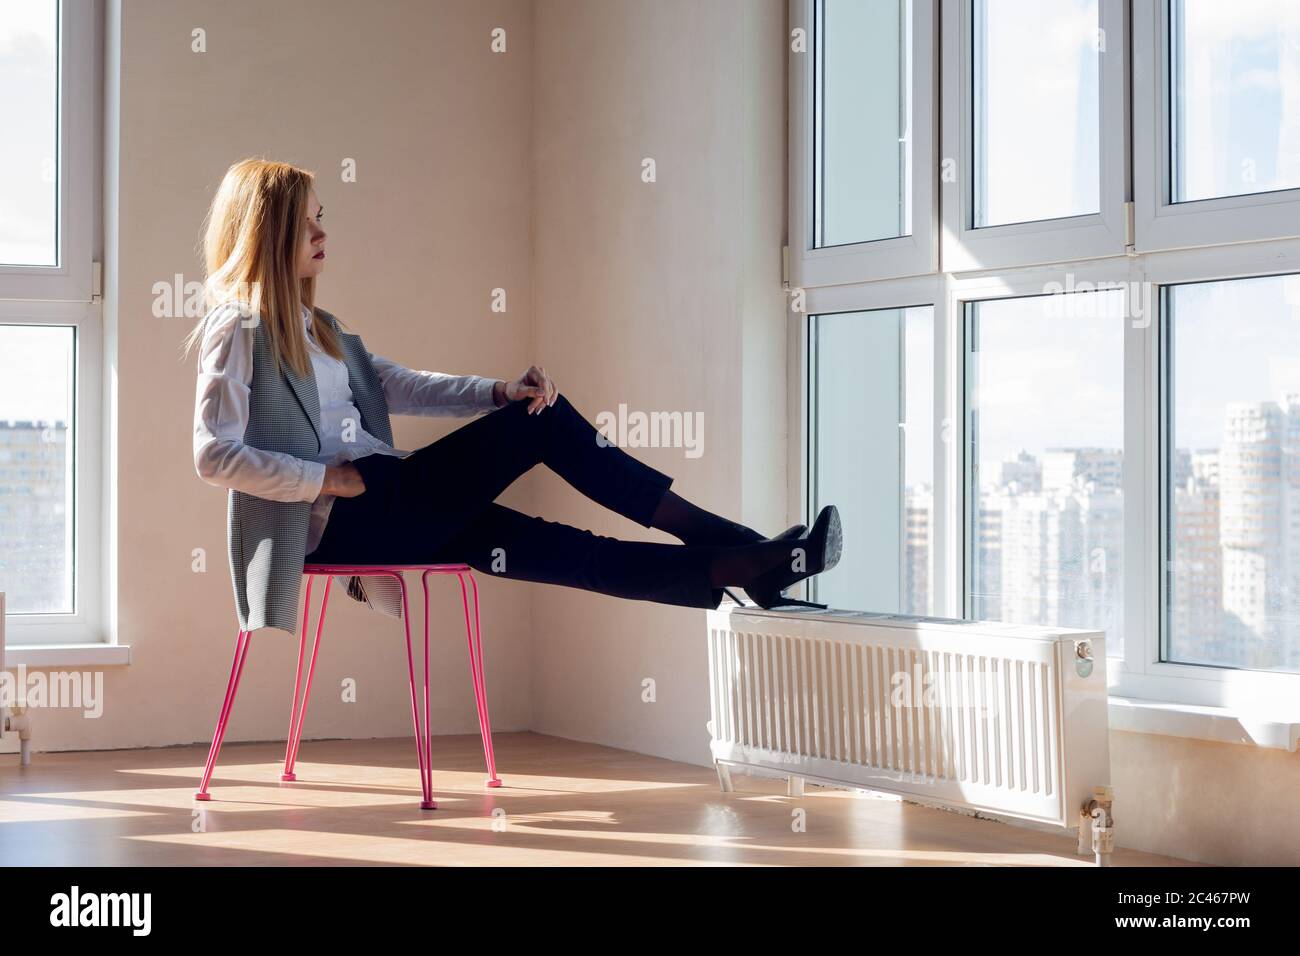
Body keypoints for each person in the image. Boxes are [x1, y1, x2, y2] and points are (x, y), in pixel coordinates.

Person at [185, 158, 841, 634]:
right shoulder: (237, 326)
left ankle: (740, 565)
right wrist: (323, 479)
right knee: (541, 420)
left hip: (391, 500)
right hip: (344, 518)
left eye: (321, 220)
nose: (324, 237)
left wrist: (496, 392)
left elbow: (397, 384)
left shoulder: (315, 328)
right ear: (269, 238)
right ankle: (743, 546)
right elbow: (214, 456)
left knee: (568, 548)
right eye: (307, 228)